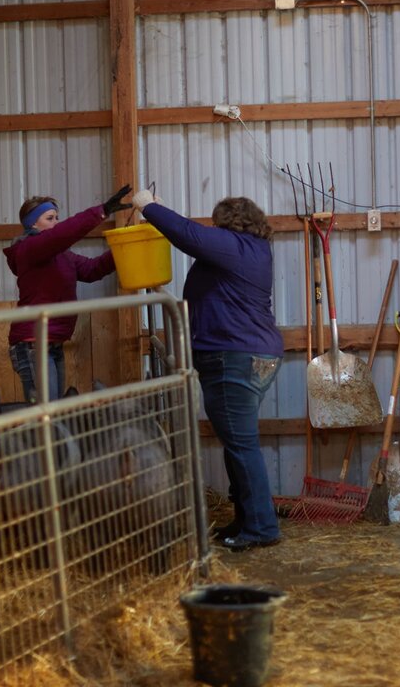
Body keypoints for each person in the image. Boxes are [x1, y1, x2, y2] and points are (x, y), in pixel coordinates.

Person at [131, 188, 283, 552]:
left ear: (229, 223)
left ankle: (261, 527)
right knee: (237, 443)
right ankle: (247, 518)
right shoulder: (250, 250)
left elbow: (189, 234)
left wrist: (148, 204)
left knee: (242, 445)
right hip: (244, 354)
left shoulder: (236, 246)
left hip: (235, 356)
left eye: (218, 223)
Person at [4, 186, 131, 401]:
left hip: (53, 343)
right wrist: (101, 211)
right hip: (32, 343)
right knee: (46, 413)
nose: (56, 223)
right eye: (50, 218)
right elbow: (62, 235)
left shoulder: (63, 256)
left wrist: (124, 245)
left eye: (57, 218)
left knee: (53, 411)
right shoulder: (28, 249)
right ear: (33, 223)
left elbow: (92, 270)